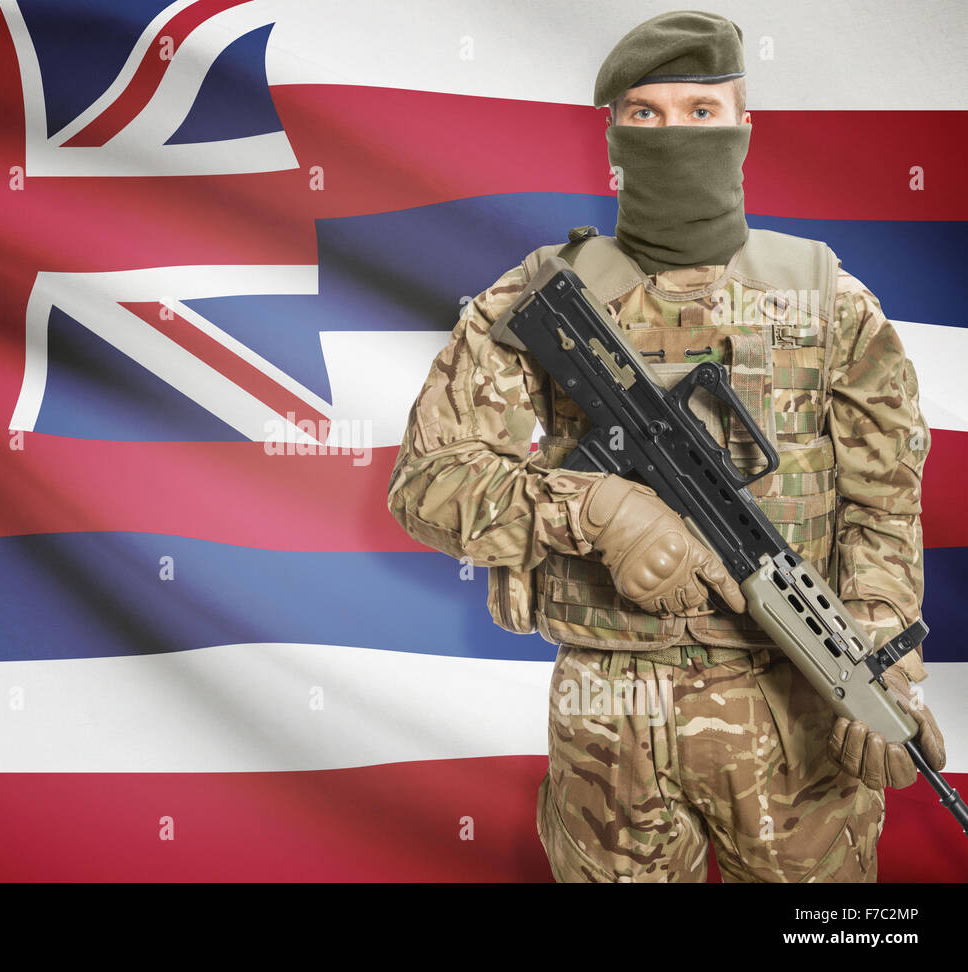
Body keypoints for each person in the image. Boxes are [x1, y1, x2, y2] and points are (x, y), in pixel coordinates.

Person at [386, 9, 945, 882]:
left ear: (743, 129)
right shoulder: (544, 294)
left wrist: (879, 668)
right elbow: (427, 481)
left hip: (795, 725)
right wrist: (597, 509)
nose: (672, 133)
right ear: (611, 133)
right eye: (644, 113)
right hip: (608, 721)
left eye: (699, 111)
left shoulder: (832, 301)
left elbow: (885, 510)